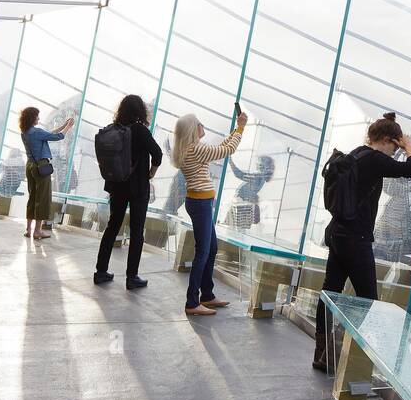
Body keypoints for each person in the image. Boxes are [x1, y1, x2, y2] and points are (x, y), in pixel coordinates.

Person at [313, 112, 411, 371]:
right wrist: (410, 147)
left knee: (331, 292)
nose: (395, 153)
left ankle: (322, 354)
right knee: (368, 301)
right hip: (356, 239)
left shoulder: (357, 153)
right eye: (395, 148)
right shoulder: (375, 159)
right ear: (385, 140)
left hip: (337, 233)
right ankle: (354, 360)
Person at [173, 109, 246, 315]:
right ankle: (192, 302)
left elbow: (220, 147)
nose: (202, 126)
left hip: (199, 203)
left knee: (211, 248)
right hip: (201, 204)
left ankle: (207, 295)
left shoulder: (190, 149)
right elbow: (228, 149)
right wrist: (240, 128)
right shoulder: (196, 149)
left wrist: (234, 129)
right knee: (203, 252)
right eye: (199, 123)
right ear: (192, 130)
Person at [95, 94, 163, 288]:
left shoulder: (115, 129)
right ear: (140, 111)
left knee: (112, 226)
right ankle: (131, 277)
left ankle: (100, 271)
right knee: (136, 231)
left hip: (116, 185)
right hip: (138, 187)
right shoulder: (140, 131)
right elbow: (157, 154)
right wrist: (151, 172)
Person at [19, 105, 74, 240]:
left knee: (32, 198)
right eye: (37, 115)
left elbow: (49, 134)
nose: (39, 118)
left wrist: (63, 125)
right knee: (42, 199)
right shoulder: (36, 132)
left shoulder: (25, 132)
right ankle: (38, 231)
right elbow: (58, 137)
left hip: (30, 166)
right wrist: (69, 127)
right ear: (32, 118)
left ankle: (28, 229)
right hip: (41, 167)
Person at [226, 153, 276, 230]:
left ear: (263, 166)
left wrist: (230, 161)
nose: (257, 164)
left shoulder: (257, 177)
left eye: (259, 162)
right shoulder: (261, 179)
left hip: (241, 206)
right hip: (245, 206)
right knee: (240, 231)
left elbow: (239, 174)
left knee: (232, 229)